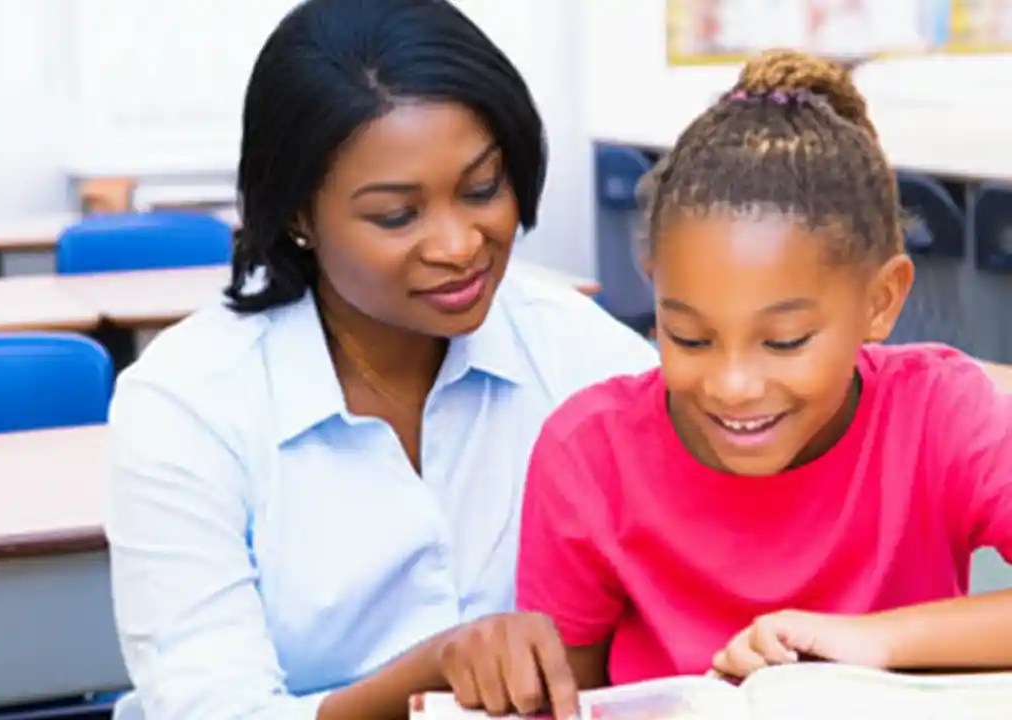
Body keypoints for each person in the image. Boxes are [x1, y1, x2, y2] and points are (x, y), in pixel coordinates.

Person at [105, 1, 656, 718]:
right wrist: (428, 675)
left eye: (482, 189)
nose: (459, 244)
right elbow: (210, 709)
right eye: (398, 215)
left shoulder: (580, 350)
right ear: (300, 214)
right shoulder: (186, 401)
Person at [516, 48, 1012, 692]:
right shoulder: (589, 455)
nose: (732, 385)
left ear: (881, 301)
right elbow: (563, 701)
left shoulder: (940, 413)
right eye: (689, 337)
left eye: (784, 341)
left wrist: (875, 640)